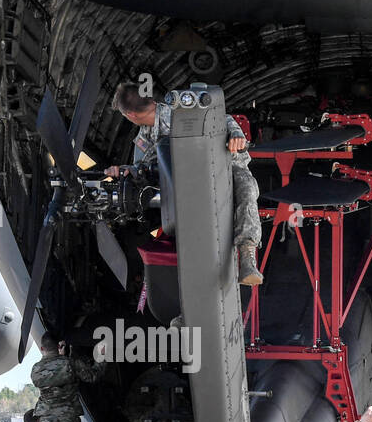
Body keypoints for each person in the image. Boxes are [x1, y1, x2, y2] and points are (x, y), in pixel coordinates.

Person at [109, 81, 264, 286]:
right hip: (188, 184)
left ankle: (247, 256)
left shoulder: (181, 109)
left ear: (131, 115)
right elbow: (143, 168)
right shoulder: (144, 138)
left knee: (246, 189)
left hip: (223, 166)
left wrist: (236, 135)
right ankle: (193, 302)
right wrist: (126, 170)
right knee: (188, 237)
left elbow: (222, 118)